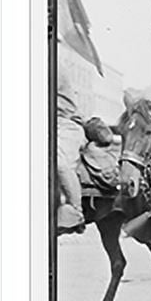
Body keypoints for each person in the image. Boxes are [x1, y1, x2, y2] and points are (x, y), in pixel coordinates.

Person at [57, 63, 86, 233]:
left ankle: (76, 212)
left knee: (59, 161)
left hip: (64, 123)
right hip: (40, 123)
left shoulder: (53, 67)